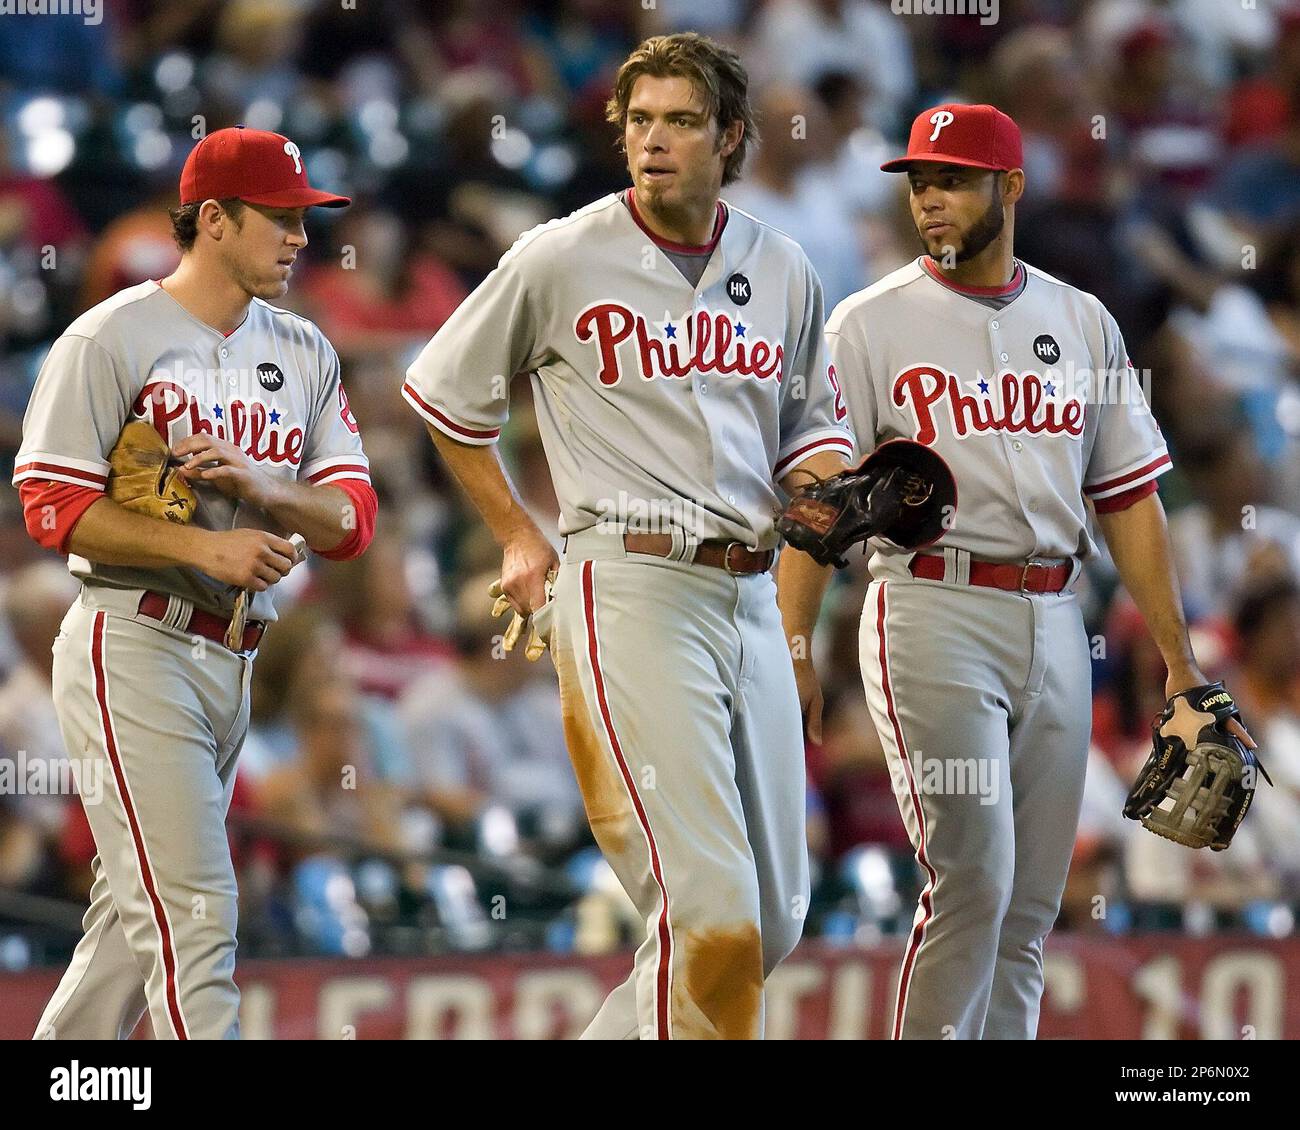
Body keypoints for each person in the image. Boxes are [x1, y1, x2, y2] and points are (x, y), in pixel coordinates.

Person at [402, 32, 854, 1039]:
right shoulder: (562, 253)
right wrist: (518, 533)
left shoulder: (779, 265)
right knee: (714, 920)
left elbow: (810, 437)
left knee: (770, 921)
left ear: (731, 136)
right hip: (632, 586)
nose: (653, 140)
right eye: (638, 120)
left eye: (681, 121)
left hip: (748, 593)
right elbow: (443, 394)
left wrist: (835, 493)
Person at [826, 103, 1254, 1040]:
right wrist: (786, 634)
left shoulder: (1082, 320)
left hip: (1059, 613)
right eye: (920, 183)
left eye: (951, 180)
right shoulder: (865, 324)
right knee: (972, 877)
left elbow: (1131, 498)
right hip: (930, 602)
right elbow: (811, 503)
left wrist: (1183, 668)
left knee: (1029, 908)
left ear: (1009, 188)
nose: (930, 201)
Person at [12, 127, 376, 1040]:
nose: (302, 238)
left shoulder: (302, 349)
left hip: (235, 658)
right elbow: (50, 505)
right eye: (281, 219)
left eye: (306, 219)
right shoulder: (110, 336)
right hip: (131, 640)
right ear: (213, 219)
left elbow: (351, 521)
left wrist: (264, 486)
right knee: (197, 915)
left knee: (134, 937)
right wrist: (205, 551)